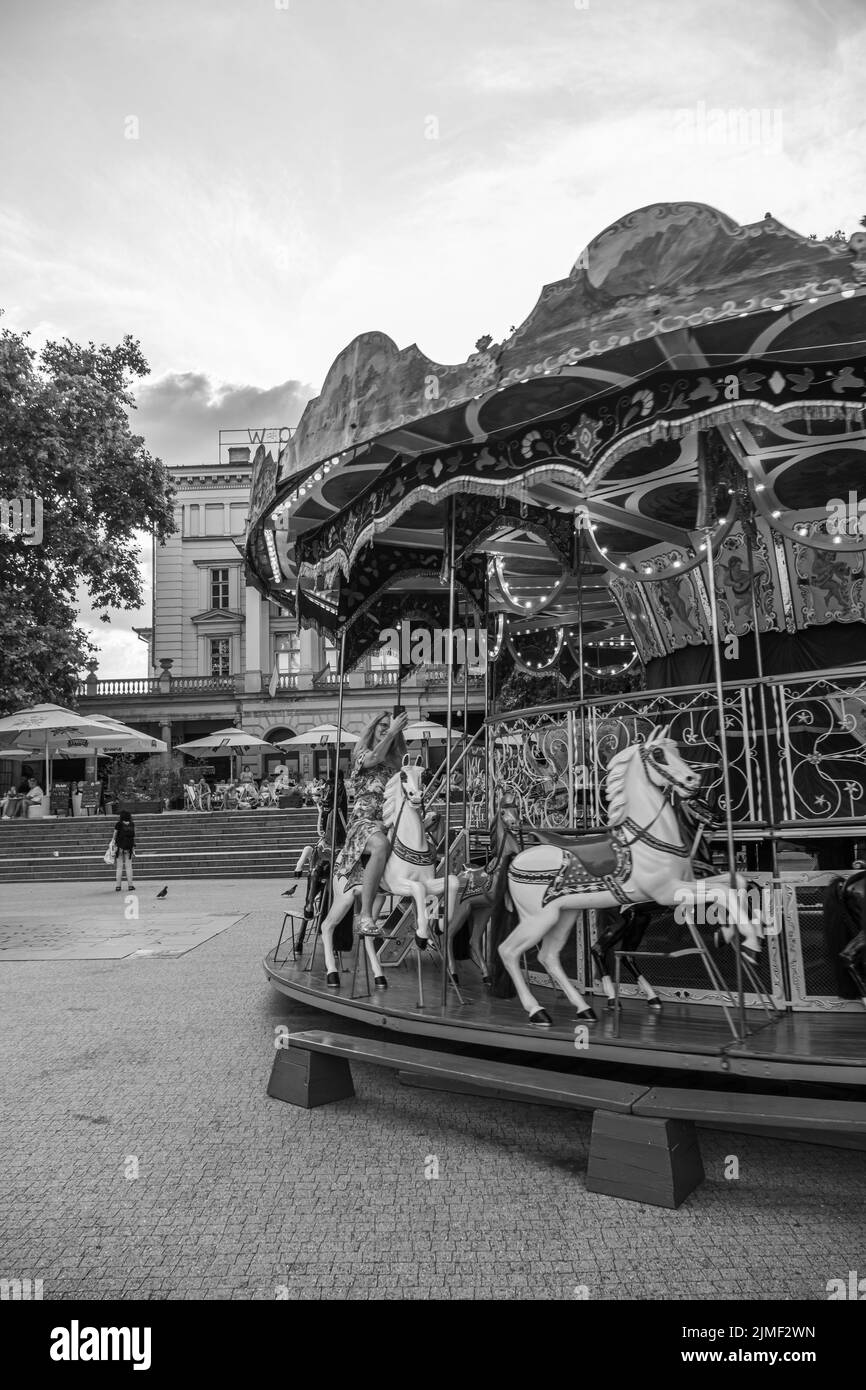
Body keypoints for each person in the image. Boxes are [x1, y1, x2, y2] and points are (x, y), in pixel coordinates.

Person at [333, 711, 408, 935]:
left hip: (389, 821)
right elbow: (374, 758)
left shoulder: (396, 761)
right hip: (363, 821)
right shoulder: (363, 754)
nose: (386, 728)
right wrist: (393, 731)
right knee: (380, 845)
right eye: (382, 725)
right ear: (373, 728)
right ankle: (365, 914)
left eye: (390, 726)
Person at [112, 810, 136, 891]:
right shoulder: (132, 824)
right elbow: (133, 836)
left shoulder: (118, 824)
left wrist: (113, 844)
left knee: (119, 867)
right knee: (129, 867)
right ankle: (130, 886)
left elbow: (114, 835)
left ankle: (118, 886)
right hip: (129, 848)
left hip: (119, 848)